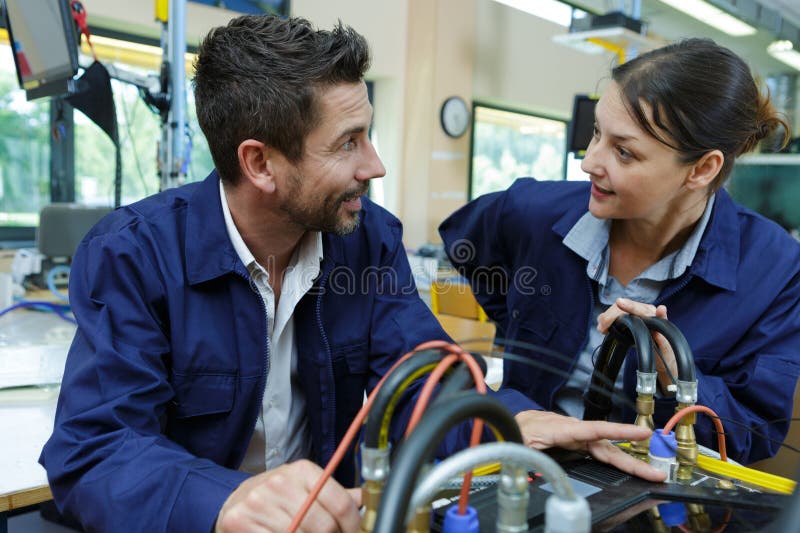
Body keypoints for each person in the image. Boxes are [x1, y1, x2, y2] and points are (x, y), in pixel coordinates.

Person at [40, 14, 662, 533]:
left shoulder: (366, 242)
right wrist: (223, 500)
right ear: (260, 163)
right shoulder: (135, 256)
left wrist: (505, 421)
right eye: (349, 143)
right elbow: (94, 452)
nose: (377, 164)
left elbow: (424, 374)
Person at [440, 38, 800, 466]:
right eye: (596, 133)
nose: (590, 161)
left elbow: (755, 434)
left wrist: (676, 378)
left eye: (624, 152)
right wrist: (515, 314)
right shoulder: (529, 211)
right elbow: (465, 248)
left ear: (702, 169)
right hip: (526, 470)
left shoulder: (774, 268)